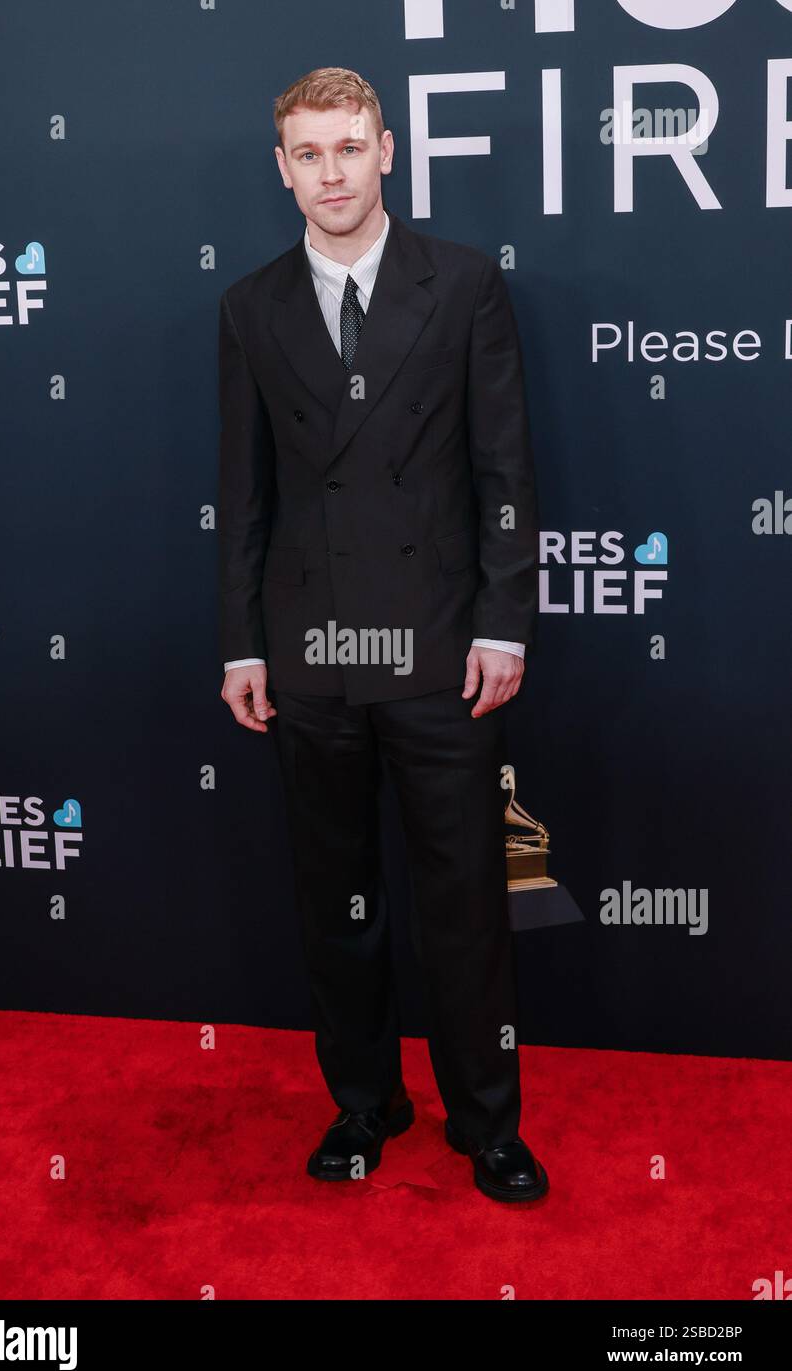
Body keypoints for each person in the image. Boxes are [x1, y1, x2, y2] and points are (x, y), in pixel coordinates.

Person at [218, 67, 547, 1202]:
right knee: (337, 895)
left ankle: (485, 1121)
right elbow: (243, 490)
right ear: (282, 169)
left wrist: (504, 619)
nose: (330, 173)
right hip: (309, 654)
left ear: (386, 152)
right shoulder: (249, 304)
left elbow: (503, 470)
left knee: (464, 900)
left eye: (347, 149)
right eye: (306, 154)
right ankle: (364, 1102)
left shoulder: (461, 286)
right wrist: (241, 643)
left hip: (437, 645)